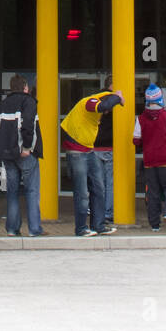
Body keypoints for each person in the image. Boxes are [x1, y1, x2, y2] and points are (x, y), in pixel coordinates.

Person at [60, 85, 123, 236]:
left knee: (98, 187)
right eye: (108, 109)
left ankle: (98, 225)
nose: (107, 112)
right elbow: (104, 105)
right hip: (77, 151)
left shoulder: (96, 109)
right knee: (82, 192)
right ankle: (81, 229)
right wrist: (118, 96)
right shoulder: (90, 102)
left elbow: (106, 106)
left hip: (88, 150)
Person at [0, 75, 43, 237]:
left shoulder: (2, 104)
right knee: (32, 191)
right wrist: (27, 147)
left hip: (8, 155)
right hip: (25, 153)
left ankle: (12, 229)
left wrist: (2, 152)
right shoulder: (28, 101)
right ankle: (34, 229)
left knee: (12, 192)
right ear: (25, 88)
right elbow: (28, 125)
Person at [133, 83, 166, 230]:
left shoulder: (141, 118)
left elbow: (136, 140)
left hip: (149, 161)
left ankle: (154, 224)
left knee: (153, 192)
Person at [91, 76, 116, 228]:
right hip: (109, 146)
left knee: (96, 182)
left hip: (95, 146)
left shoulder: (95, 100)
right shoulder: (113, 101)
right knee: (109, 182)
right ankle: (107, 212)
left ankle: (96, 210)